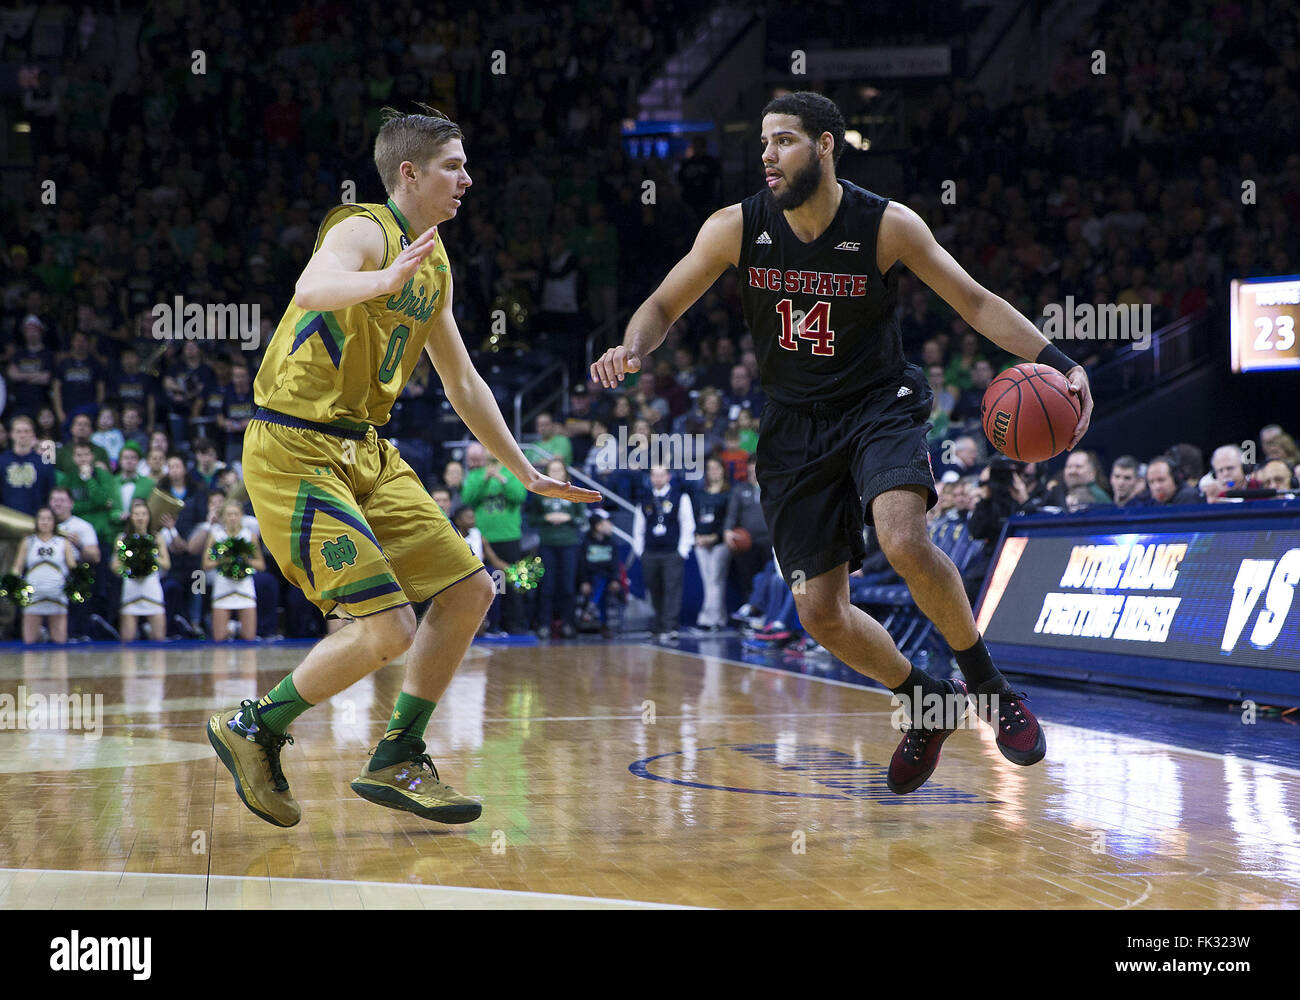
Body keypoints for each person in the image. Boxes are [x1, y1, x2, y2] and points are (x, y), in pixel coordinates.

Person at [593, 91, 1093, 794]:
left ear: (827, 146)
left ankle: (988, 685)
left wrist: (1063, 362)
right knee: (818, 612)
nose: (768, 154)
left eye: (785, 141)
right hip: (794, 425)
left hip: (878, 404)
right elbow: (663, 304)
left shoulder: (887, 225)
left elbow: (976, 302)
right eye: (764, 142)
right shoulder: (734, 227)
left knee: (904, 540)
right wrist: (633, 347)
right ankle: (927, 699)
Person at [208, 106, 598, 829]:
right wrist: (381, 280)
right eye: (454, 166)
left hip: (366, 448)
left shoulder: (433, 260)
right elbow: (311, 289)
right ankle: (255, 726)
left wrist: (524, 470)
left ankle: (398, 753)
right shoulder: (363, 228)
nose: (468, 179)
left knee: (468, 590)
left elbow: (465, 383)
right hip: (294, 446)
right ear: (410, 173)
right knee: (387, 628)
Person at [632, 464, 695, 642]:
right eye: (655, 475)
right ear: (651, 478)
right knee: (654, 588)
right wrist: (640, 551)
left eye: (661, 475)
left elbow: (687, 524)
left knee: (672, 589)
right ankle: (659, 624)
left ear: (668, 477)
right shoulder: (644, 499)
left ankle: (671, 626)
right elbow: (639, 527)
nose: (658, 479)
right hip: (650, 552)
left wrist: (682, 550)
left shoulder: (679, 497)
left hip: (672, 552)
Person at [12, 506, 77, 644]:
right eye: (41, 519)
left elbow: (73, 567)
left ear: (54, 522)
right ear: (36, 521)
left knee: (59, 641)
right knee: (29, 641)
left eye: (49, 519)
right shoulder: (28, 541)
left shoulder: (63, 542)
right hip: (33, 593)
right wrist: (12, 584)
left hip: (57, 593)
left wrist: (79, 581)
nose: (45, 522)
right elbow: (18, 566)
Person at [202, 499, 264, 640]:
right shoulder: (216, 536)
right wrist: (224, 560)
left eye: (235, 514)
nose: (232, 518)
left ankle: (236, 629)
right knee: (219, 638)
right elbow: (205, 564)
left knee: (249, 637)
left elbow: (261, 564)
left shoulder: (250, 536)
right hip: (222, 587)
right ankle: (231, 630)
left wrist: (244, 560)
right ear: (223, 517)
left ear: (241, 515)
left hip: (245, 587)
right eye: (229, 514)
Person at [111, 498, 170, 641]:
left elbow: (167, 564)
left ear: (149, 517)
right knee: (127, 640)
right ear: (131, 516)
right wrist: (130, 566)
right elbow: (115, 566)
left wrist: (148, 555)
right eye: (136, 514)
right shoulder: (122, 539)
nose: (140, 517)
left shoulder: (156, 538)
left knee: (159, 639)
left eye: (143, 514)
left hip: (152, 588)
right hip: (131, 587)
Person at [692, 455, 732, 632]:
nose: (713, 471)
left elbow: (730, 519)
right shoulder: (701, 494)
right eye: (710, 468)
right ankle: (719, 618)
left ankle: (707, 619)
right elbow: (694, 517)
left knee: (715, 579)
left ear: (723, 470)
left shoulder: (729, 493)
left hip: (720, 543)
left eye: (716, 468)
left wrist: (715, 537)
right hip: (701, 543)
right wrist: (697, 536)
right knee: (709, 581)